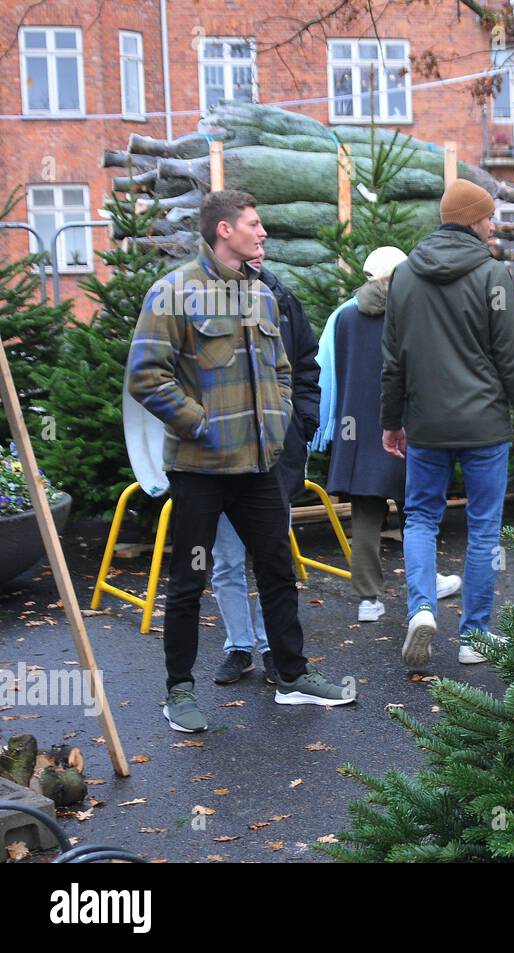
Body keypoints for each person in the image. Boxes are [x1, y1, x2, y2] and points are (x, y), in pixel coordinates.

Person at [127, 189, 355, 733]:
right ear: (224, 230)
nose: (263, 232)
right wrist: (199, 423)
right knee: (189, 580)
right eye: (254, 224)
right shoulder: (173, 292)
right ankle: (179, 692)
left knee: (278, 569)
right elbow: (144, 376)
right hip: (200, 469)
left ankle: (293, 677)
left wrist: (277, 420)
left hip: (258, 467)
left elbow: (281, 366)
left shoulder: (261, 294)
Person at [381, 179, 514, 668]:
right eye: (489, 217)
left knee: (421, 518)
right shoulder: (494, 277)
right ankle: (475, 636)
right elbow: (512, 358)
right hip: (485, 426)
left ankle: (422, 608)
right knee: (483, 527)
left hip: (426, 424)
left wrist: (392, 421)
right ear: (473, 221)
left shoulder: (405, 276)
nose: (493, 226)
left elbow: (392, 360)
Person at [312, 246, 461, 623]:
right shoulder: (413, 313)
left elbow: (333, 373)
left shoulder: (343, 318)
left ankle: (368, 600)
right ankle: (425, 585)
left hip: (356, 433)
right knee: (418, 514)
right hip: (406, 427)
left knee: (364, 516)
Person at [211, 256, 320, 686]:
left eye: (261, 235)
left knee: (273, 559)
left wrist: (301, 423)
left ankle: (276, 648)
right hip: (221, 455)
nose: (258, 245)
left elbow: (306, 367)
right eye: (249, 233)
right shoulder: (200, 300)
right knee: (226, 560)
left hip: (275, 456)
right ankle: (239, 647)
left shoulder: (283, 299)